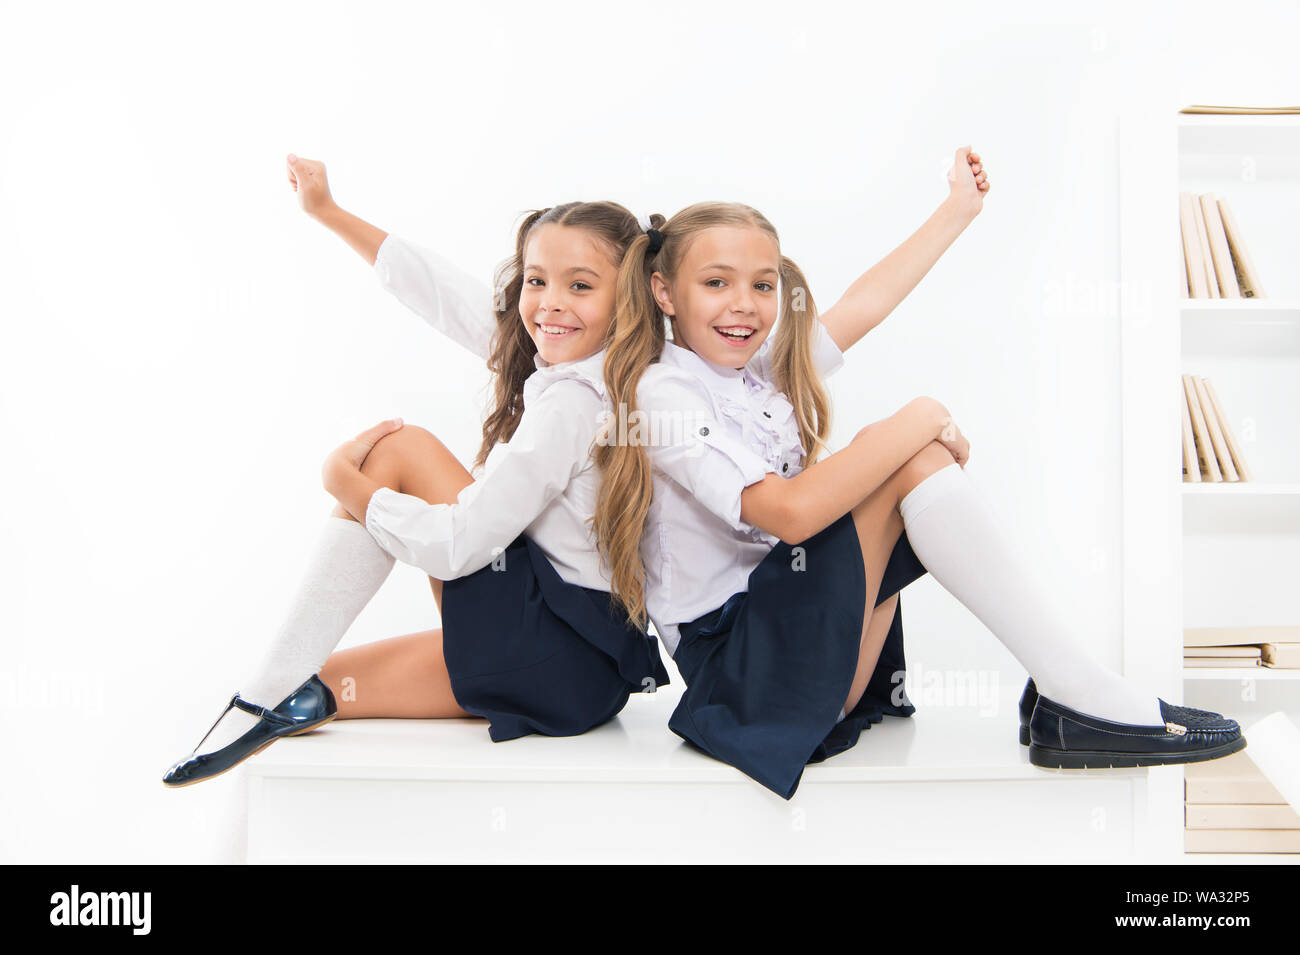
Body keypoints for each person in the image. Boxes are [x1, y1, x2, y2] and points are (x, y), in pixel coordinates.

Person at [592, 152, 1244, 798]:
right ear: (663, 291)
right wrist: (925, 416)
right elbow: (786, 513)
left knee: (909, 453)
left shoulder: (752, 373)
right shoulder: (662, 393)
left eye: (763, 285)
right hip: (742, 682)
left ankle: (1068, 684)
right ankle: (1076, 692)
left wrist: (958, 210)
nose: (745, 305)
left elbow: (863, 305)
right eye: (717, 283)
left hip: (788, 651)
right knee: (900, 448)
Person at [160, 160, 667, 787]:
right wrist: (331, 214)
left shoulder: (569, 405)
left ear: (631, 298)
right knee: (317, 689)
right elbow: (446, 296)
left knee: (399, 451)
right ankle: (271, 697)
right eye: (537, 281)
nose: (551, 303)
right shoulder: (622, 372)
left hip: (544, 650)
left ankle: (262, 691)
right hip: (589, 677)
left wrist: (347, 484)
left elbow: (459, 548)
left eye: (581, 286)